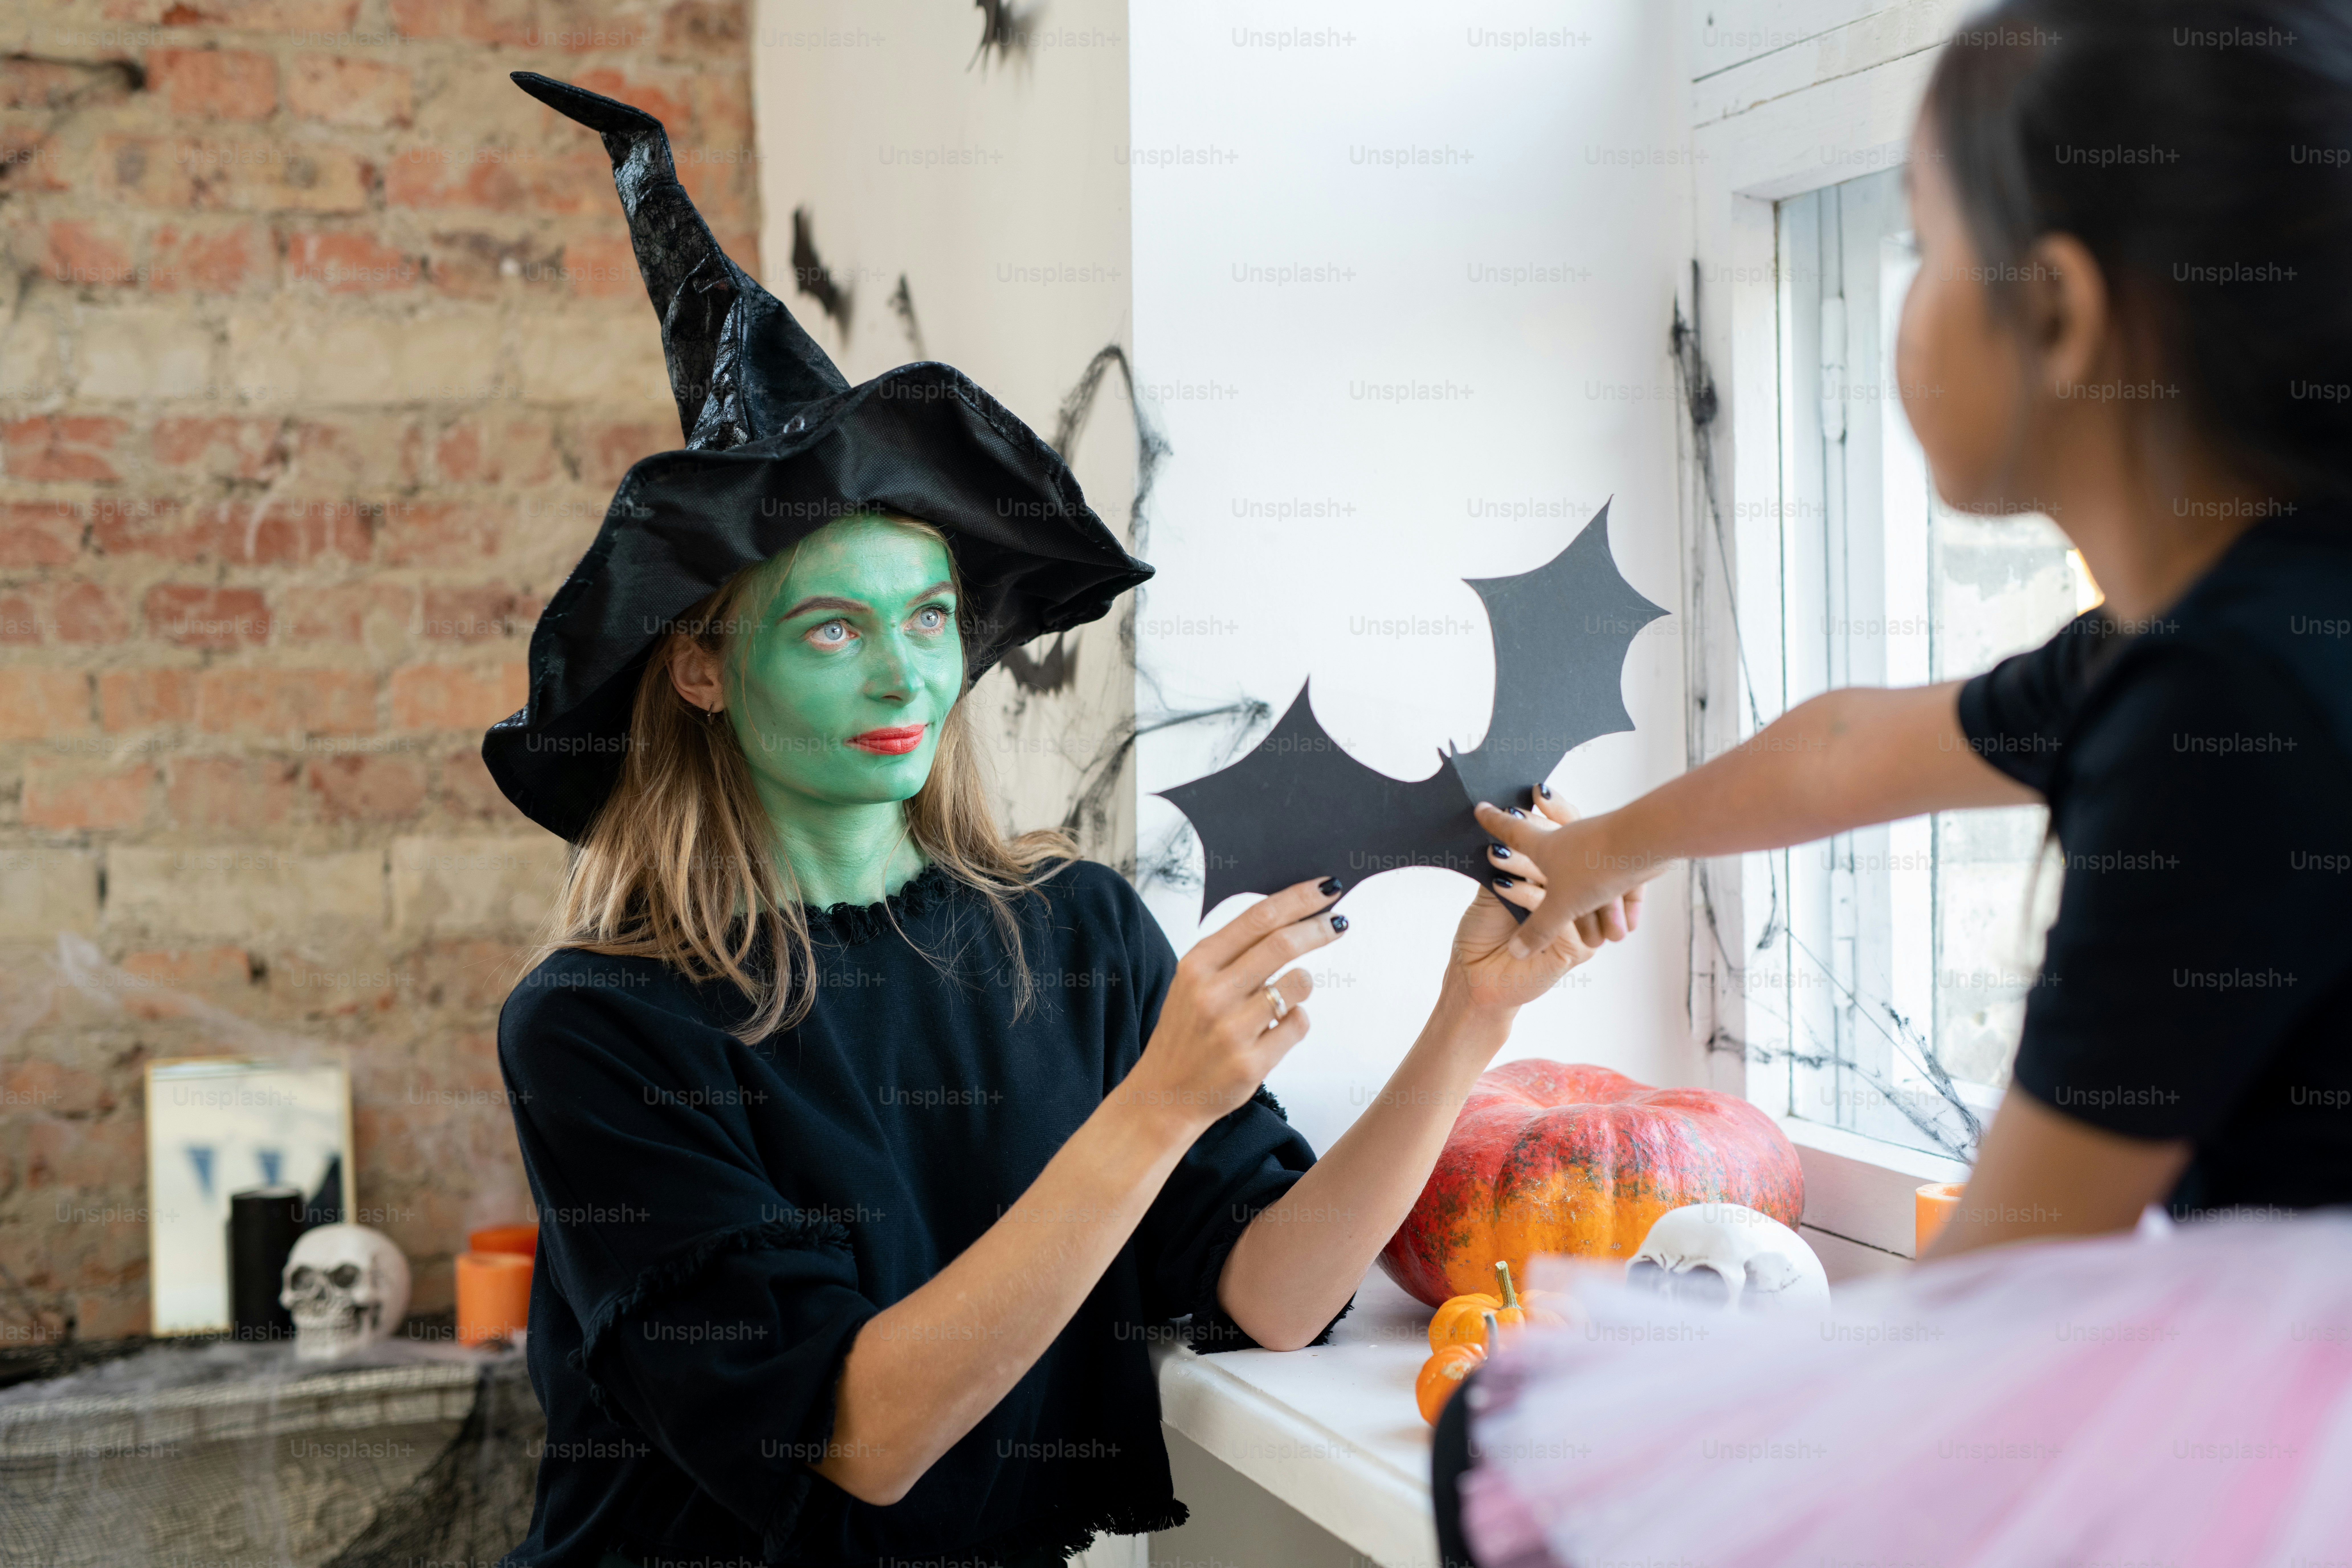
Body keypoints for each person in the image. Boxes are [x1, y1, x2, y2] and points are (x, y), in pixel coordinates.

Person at [485, 75, 1624, 1568]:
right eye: (830, 628)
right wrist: (1155, 1105)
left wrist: (1466, 1021)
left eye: (931, 616)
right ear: (700, 663)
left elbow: (1274, 1295)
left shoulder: (1066, 934)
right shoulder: (602, 1027)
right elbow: (866, 1441)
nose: (906, 671)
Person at [1438, 3, 2352, 1563]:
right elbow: (1848, 746)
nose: (1901, 305)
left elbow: (2007, 1287)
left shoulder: (2225, 701)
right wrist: (1598, 852)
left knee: (1513, 1458)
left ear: (2057, 313)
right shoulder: (2242, 625)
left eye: (1924, 250)